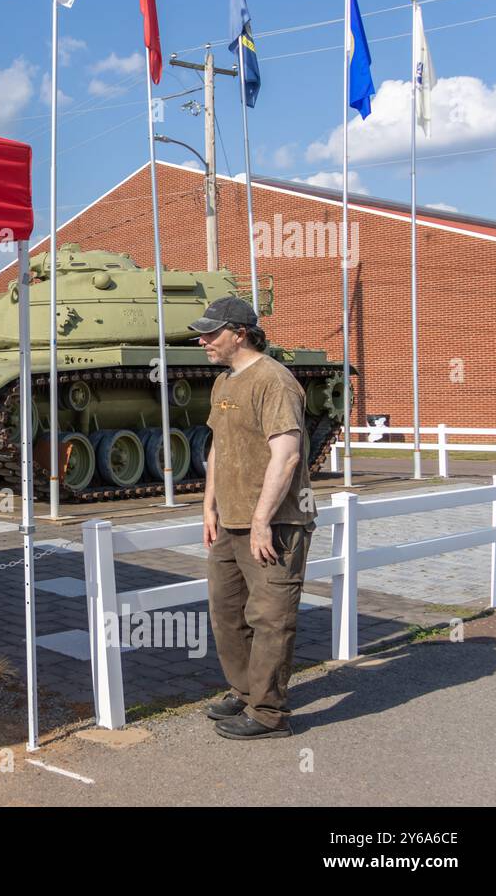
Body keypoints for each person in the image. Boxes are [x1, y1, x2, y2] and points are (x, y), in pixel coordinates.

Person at [193, 296, 316, 740]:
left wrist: (262, 520)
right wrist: (209, 507)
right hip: (230, 522)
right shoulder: (224, 383)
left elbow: (286, 455)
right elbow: (218, 448)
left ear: (239, 333)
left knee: (271, 619)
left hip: (276, 524)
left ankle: (268, 714)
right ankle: (246, 692)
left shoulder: (274, 381)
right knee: (228, 614)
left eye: (211, 332)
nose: (202, 339)